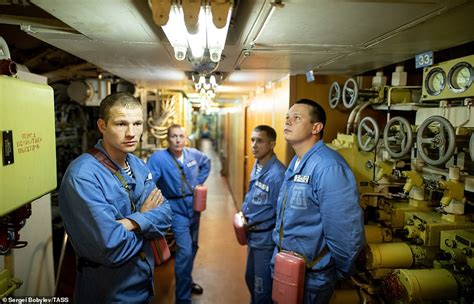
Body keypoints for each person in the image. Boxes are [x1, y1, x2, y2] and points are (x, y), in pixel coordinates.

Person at [59, 92, 172, 303]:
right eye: (121, 124)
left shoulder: (136, 164)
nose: (131, 133)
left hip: (144, 284)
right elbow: (110, 248)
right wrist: (146, 221)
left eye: (137, 123)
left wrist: (129, 223)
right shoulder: (83, 176)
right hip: (109, 291)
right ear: (102, 126)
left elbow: (166, 216)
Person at [272, 99, 365, 304]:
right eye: (287, 118)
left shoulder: (328, 166)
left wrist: (338, 271)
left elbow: (345, 230)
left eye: (296, 118)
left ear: (316, 127)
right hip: (286, 266)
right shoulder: (297, 162)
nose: (287, 122)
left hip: (313, 276)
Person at [147, 124, 211, 304]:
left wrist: (198, 182)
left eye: (181, 136)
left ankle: (186, 282)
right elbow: (149, 182)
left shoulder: (193, 155)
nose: (177, 140)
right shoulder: (159, 159)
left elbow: (207, 163)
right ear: (167, 139)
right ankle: (183, 299)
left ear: (186, 138)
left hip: (194, 206)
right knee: (184, 250)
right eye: (174, 136)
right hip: (176, 209)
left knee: (194, 246)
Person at [241, 125, 286, 304]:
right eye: (252, 140)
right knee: (250, 279)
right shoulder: (258, 165)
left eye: (260, 141)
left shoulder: (277, 175)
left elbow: (282, 215)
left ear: (272, 144)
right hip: (253, 236)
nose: (254, 145)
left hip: (265, 241)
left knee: (262, 289)